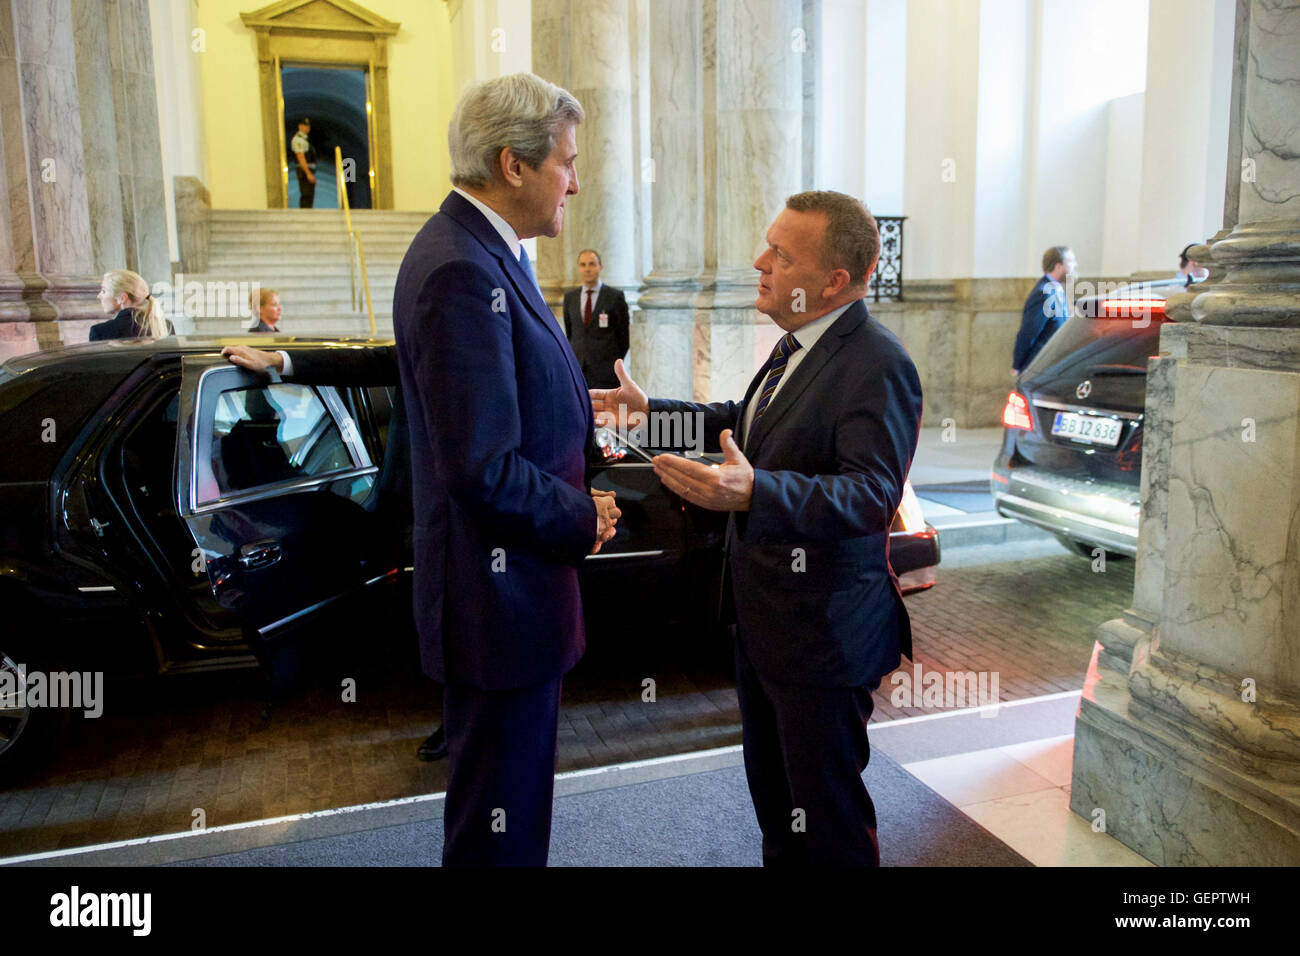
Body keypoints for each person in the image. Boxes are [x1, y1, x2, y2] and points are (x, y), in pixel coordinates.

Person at [591, 190, 923, 866]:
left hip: (825, 636)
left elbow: (870, 494)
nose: (758, 261)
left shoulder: (878, 365)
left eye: (780, 253)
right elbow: (737, 420)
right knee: (779, 809)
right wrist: (650, 411)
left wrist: (756, 491)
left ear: (833, 281)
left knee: (825, 822)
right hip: (767, 624)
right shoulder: (795, 345)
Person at [392, 72, 619, 867]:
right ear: (512, 165)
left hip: (514, 597)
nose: (576, 180)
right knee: (499, 831)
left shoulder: (489, 251)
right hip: (498, 604)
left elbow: (501, 393)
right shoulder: (463, 270)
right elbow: (482, 467)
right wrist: (582, 516)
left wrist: (585, 408)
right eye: (566, 160)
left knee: (511, 819)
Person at [222, 342, 448, 762]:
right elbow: (369, 361)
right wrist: (278, 361)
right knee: (433, 619)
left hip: (454, 516)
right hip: (408, 508)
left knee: (456, 624)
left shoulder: (487, 344)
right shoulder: (428, 339)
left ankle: (461, 720)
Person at [562, 249, 630, 388]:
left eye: (592, 264)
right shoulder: (570, 298)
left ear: (600, 267)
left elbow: (623, 337)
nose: (587, 269)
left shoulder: (615, 297)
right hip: (578, 369)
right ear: (579, 268)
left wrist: (612, 362)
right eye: (583, 265)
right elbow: (570, 333)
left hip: (606, 372)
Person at [1012, 245, 1076, 374]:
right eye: (1071, 261)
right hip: (1040, 366)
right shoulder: (1044, 293)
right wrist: (1017, 364)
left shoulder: (1056, 288)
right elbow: (1029, 332)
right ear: (1058, 266)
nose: (1076, 265)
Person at [90, 269, 168, 340]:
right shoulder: (164, 326)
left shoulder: (99, 332)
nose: (99, 296)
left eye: (104, 291)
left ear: (122, 298)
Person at [291, 118, 316, 209]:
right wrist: (308, 173)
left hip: (307, 169)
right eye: (305, 126)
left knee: (309, 194)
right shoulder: (298, 140)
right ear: (300, 126)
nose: (307, 128)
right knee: (306, 194)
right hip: (304, 169)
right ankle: (305, 213)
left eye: (308, 126)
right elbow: (300, 157)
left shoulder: (305, 139)